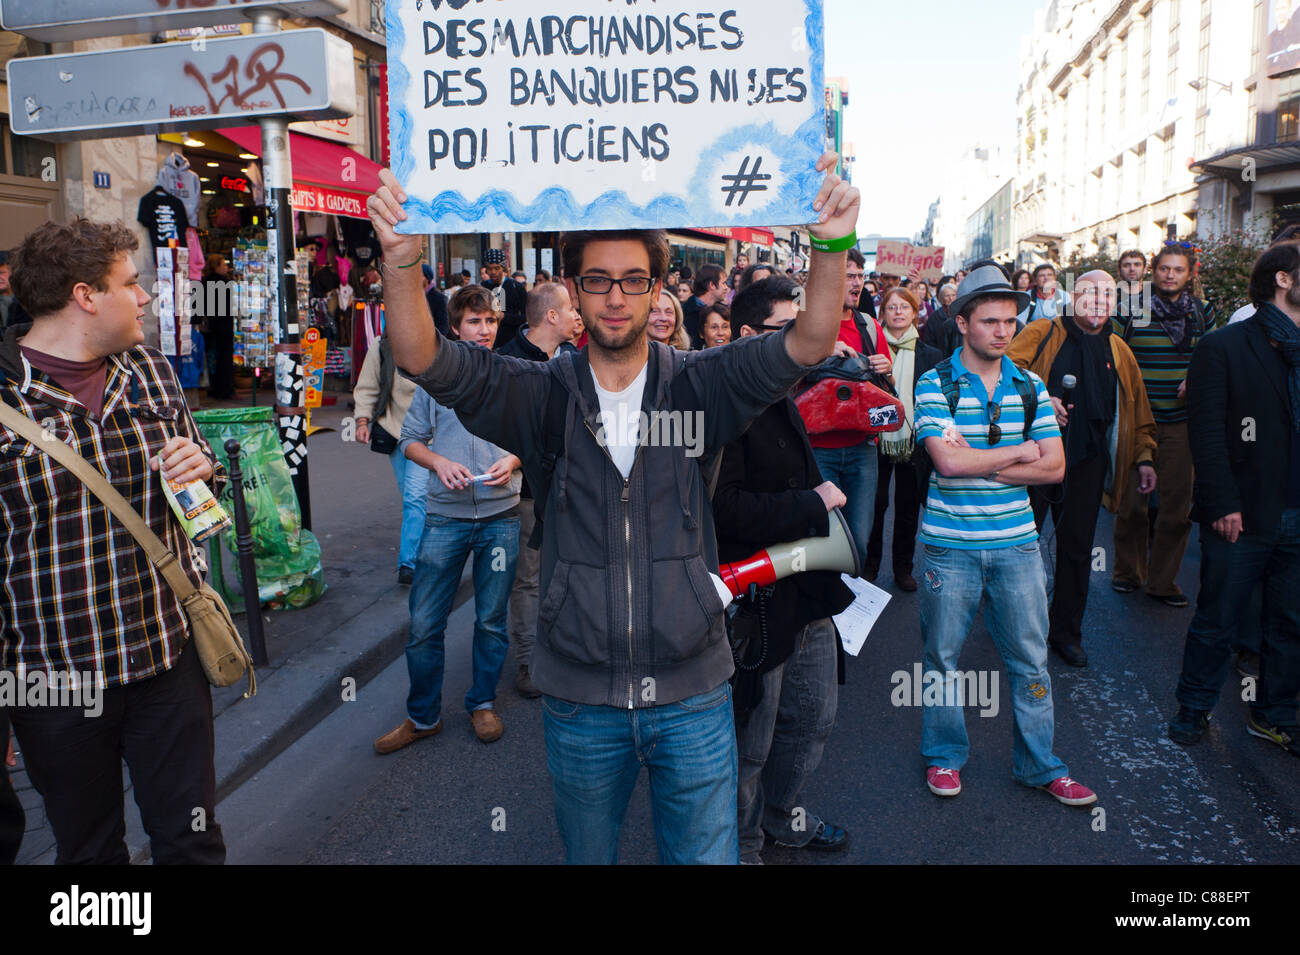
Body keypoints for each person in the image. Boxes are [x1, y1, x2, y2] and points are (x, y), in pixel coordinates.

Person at [367, 150, 858, 864]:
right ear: (574, 289)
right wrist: (402, 261)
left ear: (658, 288)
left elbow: (810, 339)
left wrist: (833, 243)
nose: (617, 297)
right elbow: (424, 357)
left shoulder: (700, 386)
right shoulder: (540, 394)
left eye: (634, 280)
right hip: (581, 701)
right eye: (598, 281)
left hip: (693, 693)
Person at [1, 219, 227, 864]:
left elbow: (204, 498)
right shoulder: (6, 393)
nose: (148, 297)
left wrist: (204, 466)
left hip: (166, 654)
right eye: (132, 284)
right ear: (85, 296)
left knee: (191, 839)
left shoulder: (151, 371)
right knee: (90, 851)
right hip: (55, 681)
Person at [912, 264, 1096, 806]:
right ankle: (944, 757)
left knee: (1030, 662)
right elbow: (945, 462)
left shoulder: (1031, 386)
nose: (1002, 331)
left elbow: (1056, 467)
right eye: (990, 321)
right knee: (942, 659)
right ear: (963, 322)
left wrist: (980, 464)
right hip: (949, 547)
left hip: (1017, 545)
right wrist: (1017, 452)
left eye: (1010, 321)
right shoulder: (935, 382)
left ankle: (1041, 766)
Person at [714, 275, 855, 864]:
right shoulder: (725, 407)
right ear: (749, 336)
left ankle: (781, 816)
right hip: (757, 599)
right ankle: (744, 845)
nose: (806, 341)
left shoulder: (782, 389)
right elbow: (726, 509)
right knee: (753, 738)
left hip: (805, 587)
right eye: (788, 330)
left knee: (813, 719)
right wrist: (813, 503)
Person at [376, 285, 522, 752]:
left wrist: (515, 460)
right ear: (455, 328)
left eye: (491, 321)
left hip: (501, 517)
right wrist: (438, 462)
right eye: (475, 322)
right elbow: (410, 440)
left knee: (492, 620)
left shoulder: (516, 375)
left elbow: (537, 435)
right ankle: (422, 717)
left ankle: (482, 704)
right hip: (445, 519)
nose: (485, 330)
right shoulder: (434, 382)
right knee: (423, 626)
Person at [1167, 243, 1300, 755]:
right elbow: (1206, 434)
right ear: (1284, 280)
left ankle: (1275, 714)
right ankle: (1193, 708)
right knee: (1218, 617)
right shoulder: (1224, 346)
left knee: (1290, 621)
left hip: (1297, 510)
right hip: (1242, 513)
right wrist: (1223, 503)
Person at [1008, 271, 1158, 668]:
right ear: (1072, 295)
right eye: (1090, 291)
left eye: (1108, 294)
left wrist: (1144, 457)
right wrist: (1041, 401)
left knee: (1076, 551)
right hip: (1034, 456)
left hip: (1088, 463)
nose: (1098, 300)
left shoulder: (1119, 349)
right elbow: (1003, 374)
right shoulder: (1043, 332)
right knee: (1019, 545)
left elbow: (1138, 411)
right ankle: (1011, 625)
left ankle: (1066, 634)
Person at [1110, 243, 1221, 608]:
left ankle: (1162, 582)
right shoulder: (1130, 309)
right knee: (1132, 503)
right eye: (1164, 269)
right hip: (1135, 419)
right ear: (1152, 271)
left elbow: (1216, 359)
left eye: (1178, 270)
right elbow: (1110, 357)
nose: (1169, 275)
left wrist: (1198, 378)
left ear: (1190, 274)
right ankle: (1128, 573)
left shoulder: (1204, 313)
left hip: (1182, 423)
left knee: (1176, 507)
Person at [498, 282, 581, 698]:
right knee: (528, 579)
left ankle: (564, 649)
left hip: (570, 487)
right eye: (569, 309)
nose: (575, 316)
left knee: (567, 570)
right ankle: (529, 662)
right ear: (551, 316)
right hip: (528, 492)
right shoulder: (508, 364)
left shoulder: (571, 358)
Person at [805, 247, 890, 571]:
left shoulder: (869, 325)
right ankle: (824, 614)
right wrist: (823, 351)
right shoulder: (807, 323)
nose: (856, 283)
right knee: (821, 537)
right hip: (817, 449)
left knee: (858, 539)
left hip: (861, 449)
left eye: (859, 276)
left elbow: (882, 390)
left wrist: (885, 368)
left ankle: (851, 614)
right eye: (848, 275)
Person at [865, 287, 943, 590]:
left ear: (915, 312)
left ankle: (903, 569)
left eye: (904, 307)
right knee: (875, 506)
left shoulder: (931, 354)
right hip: (875, 439)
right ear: (882, 313)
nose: (897, 312)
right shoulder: (870, 352)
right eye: (891, 307)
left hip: (914, 441)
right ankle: (870, 566)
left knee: (908, 508)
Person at [354, 329, 428, 587]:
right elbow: (367, 384)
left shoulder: (435, 342)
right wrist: (362, 420)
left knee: (415, 498)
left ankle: (410, 563)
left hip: (427, 435)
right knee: (412, 496)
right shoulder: (382, 345)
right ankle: (427, 551)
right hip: (395, 430)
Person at [201, 253, 236, 400]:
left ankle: (216, 387)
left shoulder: (205, 282)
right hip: (224, 325)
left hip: (213, 326)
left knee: (214, 357)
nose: (226, 267)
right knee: (225, 357)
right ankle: (225, 389)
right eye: (223, 265)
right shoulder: (223, 282)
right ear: (216, 266)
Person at [483, 249, 528, 350]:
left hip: (511, 344)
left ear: (503, 268)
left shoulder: (516, 287)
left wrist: (505, 317)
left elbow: (526, 317)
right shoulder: (483, 287)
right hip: (488, 342)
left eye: (497, 268)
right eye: (490, 269)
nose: (493, 272)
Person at [684, 264, 727, 349]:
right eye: (723, 283)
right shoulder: (684, 313)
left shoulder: (724, 311)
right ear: (712, 285)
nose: (726, 287)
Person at [1116, 250, 1148, 324]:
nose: (1132, 269)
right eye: (1126, 265)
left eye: (1137, 265)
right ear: (1119, 271)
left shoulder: (1153, 298)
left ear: (1145, 269)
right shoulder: (1110, 299)